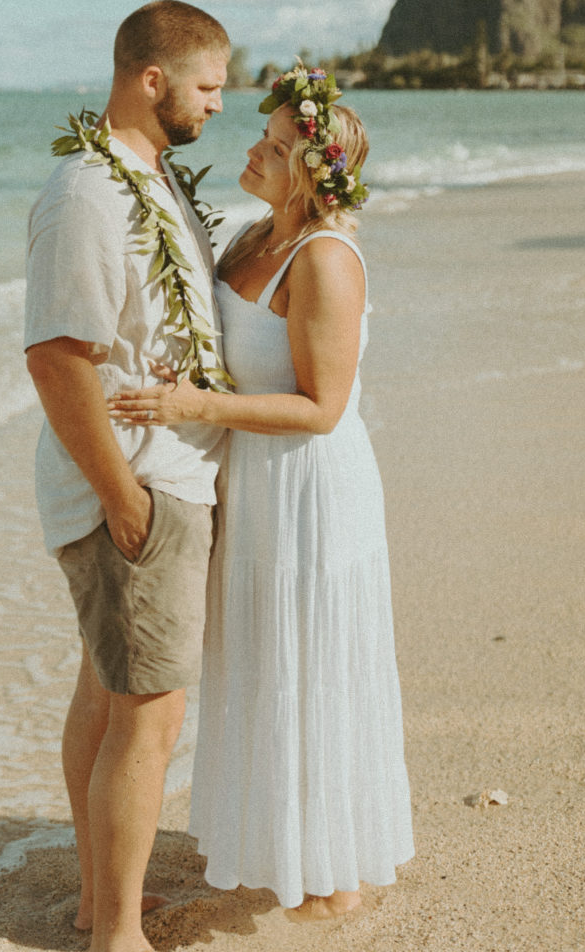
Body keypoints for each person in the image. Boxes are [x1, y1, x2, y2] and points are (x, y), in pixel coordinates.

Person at [110, 65, 413, 920]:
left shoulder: (326, 260)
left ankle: (333, 875)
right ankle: (277, 848)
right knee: (258, 662)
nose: (253, 151)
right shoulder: (251, 239)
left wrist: (192, 406)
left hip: (308, 488)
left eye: (277, 149)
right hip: (248, 478)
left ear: (312, 174)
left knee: (309, 664)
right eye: (263, 137)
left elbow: (322, 408)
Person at [24, 0, 231, 952]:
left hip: (155, 480)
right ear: (153, 81)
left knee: (110, 696)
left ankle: (97, 903)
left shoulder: (152, 177)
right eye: (207, 87)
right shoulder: (87, 194)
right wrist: (123, 499)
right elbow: (57, 356)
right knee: (148, 715)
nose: (218, 105)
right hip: (133, 487)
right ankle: (114, 935)